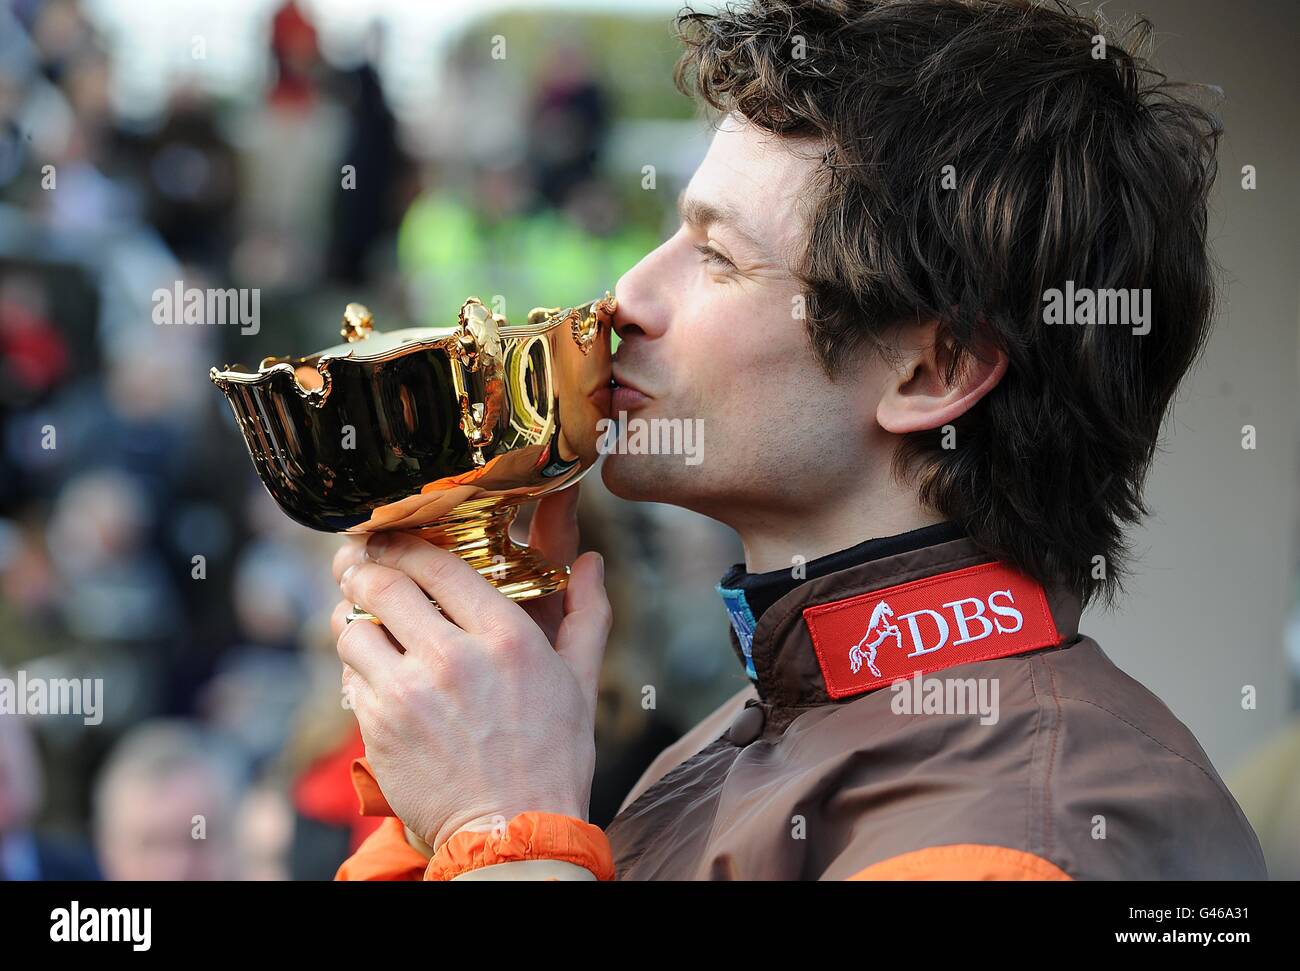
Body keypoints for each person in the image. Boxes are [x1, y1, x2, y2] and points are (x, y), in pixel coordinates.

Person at [330, 0, 1267, 881]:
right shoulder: (741, 739)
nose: (622, 298)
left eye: (718, 256)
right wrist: (451, 783)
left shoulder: (1020, 830)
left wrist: (501, 828)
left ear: (930, 372)